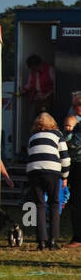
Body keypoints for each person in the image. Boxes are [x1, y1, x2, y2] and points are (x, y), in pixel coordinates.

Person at [25, 112, 70, 250]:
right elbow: (65, 158)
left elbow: (29, 153)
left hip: (34, 171)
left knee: (39, 205)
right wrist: (64, 176)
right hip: (51, 170)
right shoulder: (57, 135)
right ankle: (53, 240)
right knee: (54, 203)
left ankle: (41, 241)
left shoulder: (32, 137)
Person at [63, 96, 81, 246]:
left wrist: (70, 129)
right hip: (75, 164)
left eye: (75, 106)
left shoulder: (76, 122)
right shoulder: (74, 120)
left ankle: (78, 238)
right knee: (75, 201)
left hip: (79, 163)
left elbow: (74, 144)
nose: (73, 109)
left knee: (77, 201)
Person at [22, 54, 55, 120]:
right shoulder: (33, 72)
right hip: (36, 98)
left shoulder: (50, 70)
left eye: (33, 67)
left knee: (45, 119)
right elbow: (30, 84)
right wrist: (23, 90)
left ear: (38, 64)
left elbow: (55, 86)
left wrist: (46, 95)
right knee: (32, 118)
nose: (32, 69)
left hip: (47, 100)